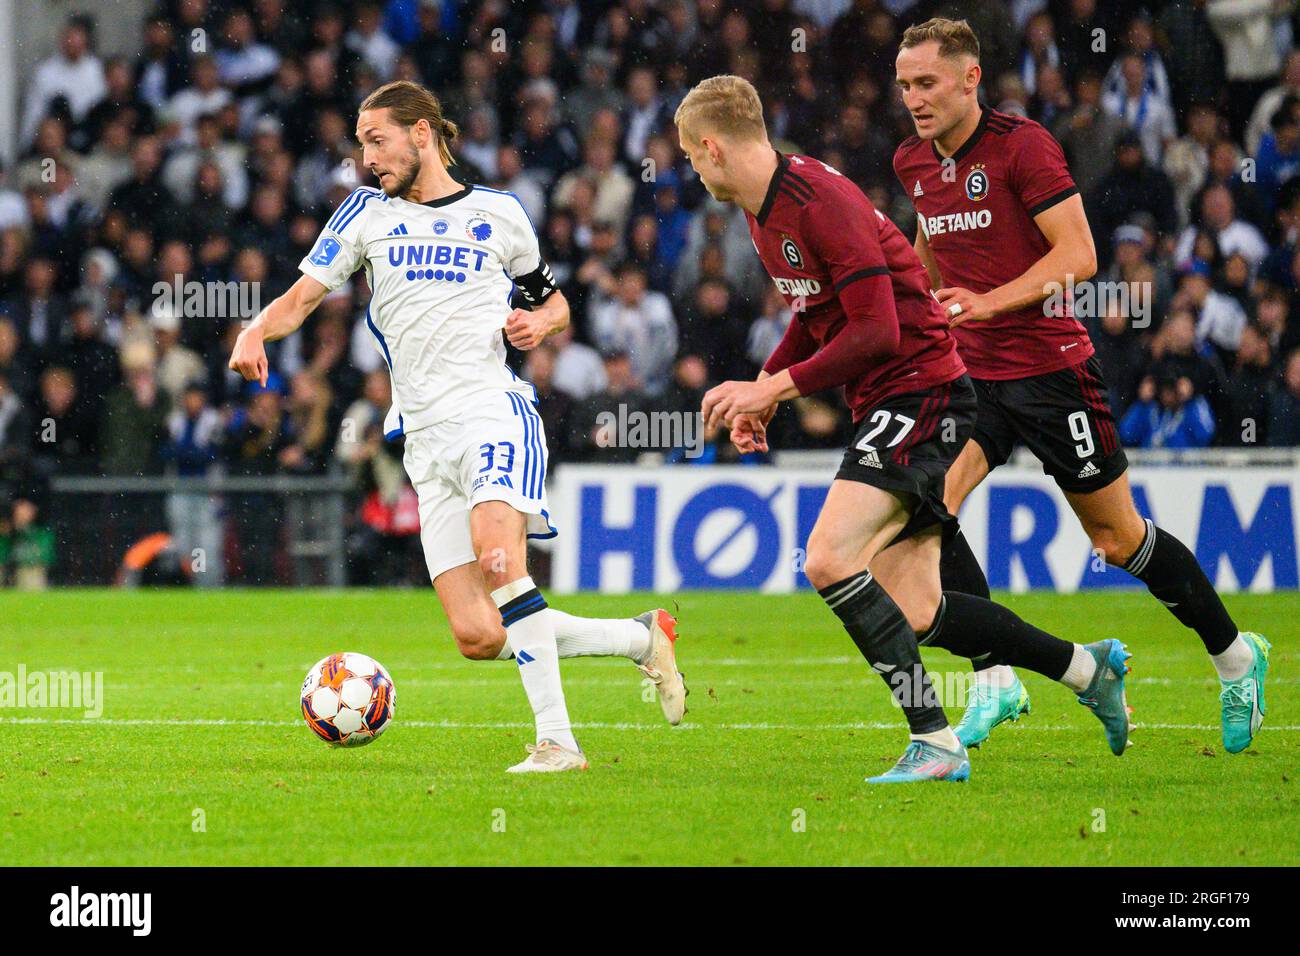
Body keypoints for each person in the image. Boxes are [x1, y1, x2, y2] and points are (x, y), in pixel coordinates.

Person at [679, 74, 1133, 785]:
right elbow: (813, 316)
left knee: (828, 558)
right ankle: (1086, 667)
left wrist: (771, 387)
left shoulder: (818, 200)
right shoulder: (761, 210)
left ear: (711, 146)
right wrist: (766, 392)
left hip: (922, 389)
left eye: (688, 155)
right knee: (918, 611)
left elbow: (876, 332)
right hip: (896, 396)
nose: (690, 169)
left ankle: (935, 739)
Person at [229, 81, 685, 773]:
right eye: (359, 144)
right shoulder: (364, 215)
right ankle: (639, 639)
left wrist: (541, 322)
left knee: (502, 559)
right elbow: (302, 298)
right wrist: (257, 330)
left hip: (492, 411)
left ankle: (558, 743)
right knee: (476, 634)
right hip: (422, 437)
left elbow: (553, 302)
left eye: (376, 140)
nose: (366, 158)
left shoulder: (500, 215)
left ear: (422, 134)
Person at [893, 18, 1269, 754]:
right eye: (905, 85)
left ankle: (1236, 658)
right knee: (931, 507)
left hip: (1050, 373)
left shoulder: (1021, 146)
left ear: (971, 78)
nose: (914, 98)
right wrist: (914, 313)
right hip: (974, 376)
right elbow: (928, 251)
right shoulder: (913, 158)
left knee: (1117, 537)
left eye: (927, 82)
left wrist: (991, 301)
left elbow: (1080, 253)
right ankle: (996, 677)